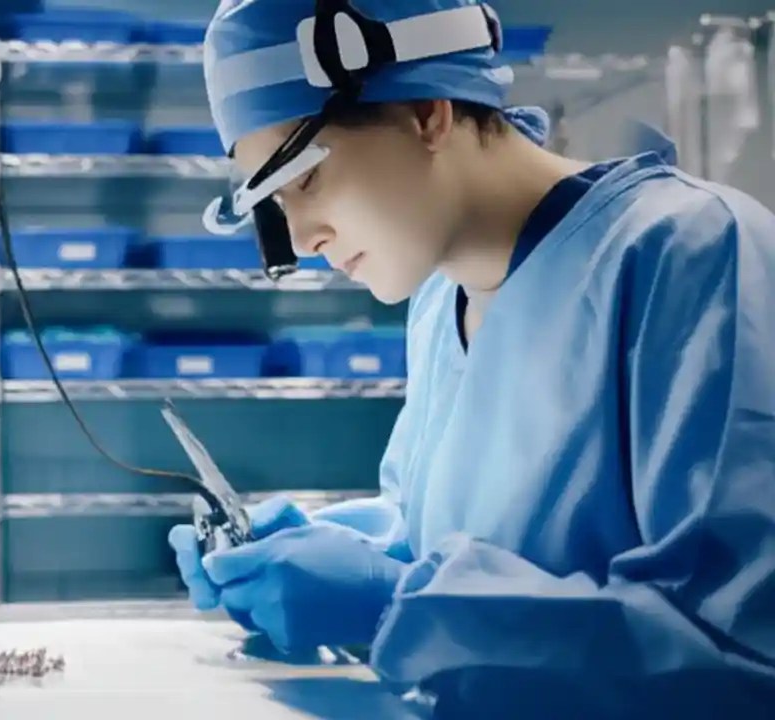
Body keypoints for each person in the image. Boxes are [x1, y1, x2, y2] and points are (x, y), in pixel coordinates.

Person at [168, 0, 775, 716]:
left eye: (303, 180)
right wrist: (324, 555)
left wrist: (394, 603)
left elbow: (740, 656)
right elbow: (453, 537)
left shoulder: (693, 253)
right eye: (270, 204)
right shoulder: (440, 297)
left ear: (427, 113)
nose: (300, 239)